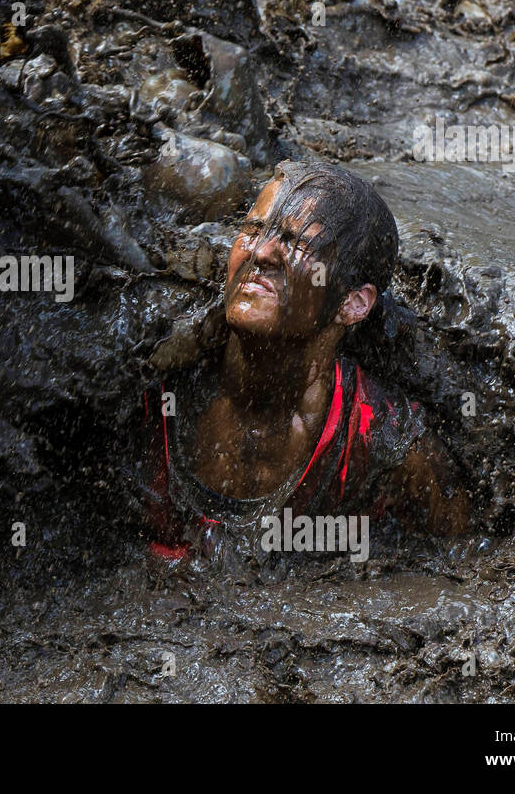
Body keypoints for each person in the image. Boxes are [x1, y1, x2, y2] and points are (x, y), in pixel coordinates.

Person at [142, 161, 469, 560]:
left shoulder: (383, 440)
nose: (260, 252)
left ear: (353, 302)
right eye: (253, 228)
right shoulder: (149, 381)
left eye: (297, 243)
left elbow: (465, 560)